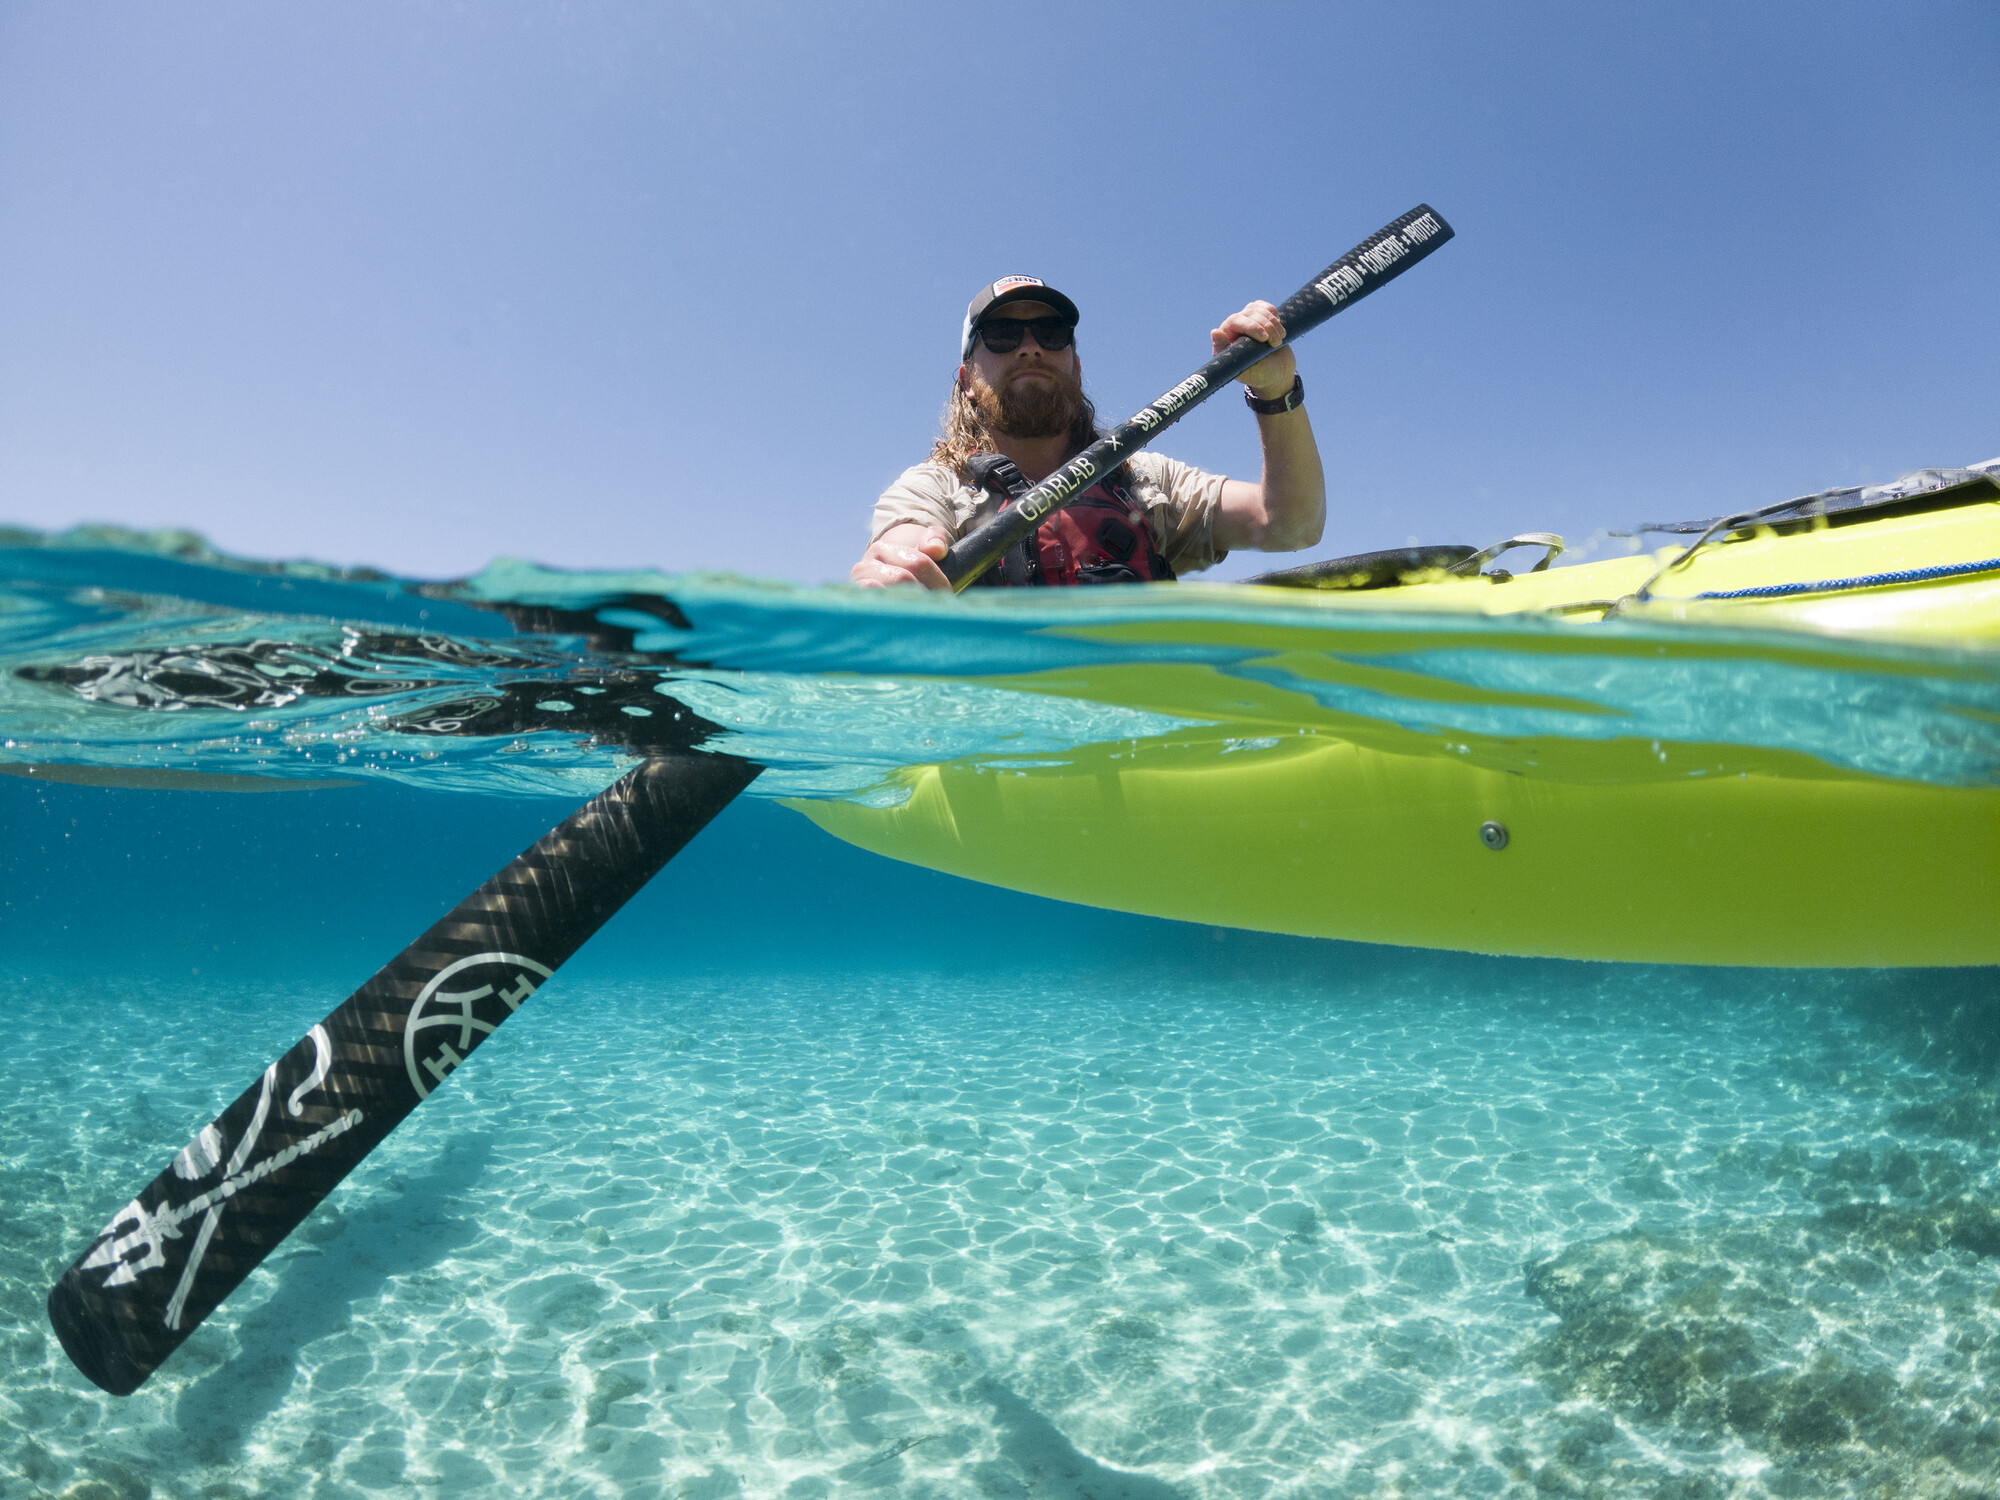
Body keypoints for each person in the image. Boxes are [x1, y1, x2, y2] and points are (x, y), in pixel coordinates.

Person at [853, 275, 1326, 589]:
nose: (1030, 348)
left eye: (1051, 332)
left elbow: (1291, 523)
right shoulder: (932, 488)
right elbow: (905, 546)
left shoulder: (1145, 481)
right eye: (1002, 335)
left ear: (1075, 368)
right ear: (966, 384)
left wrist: (1275, 389)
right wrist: (899, 573)